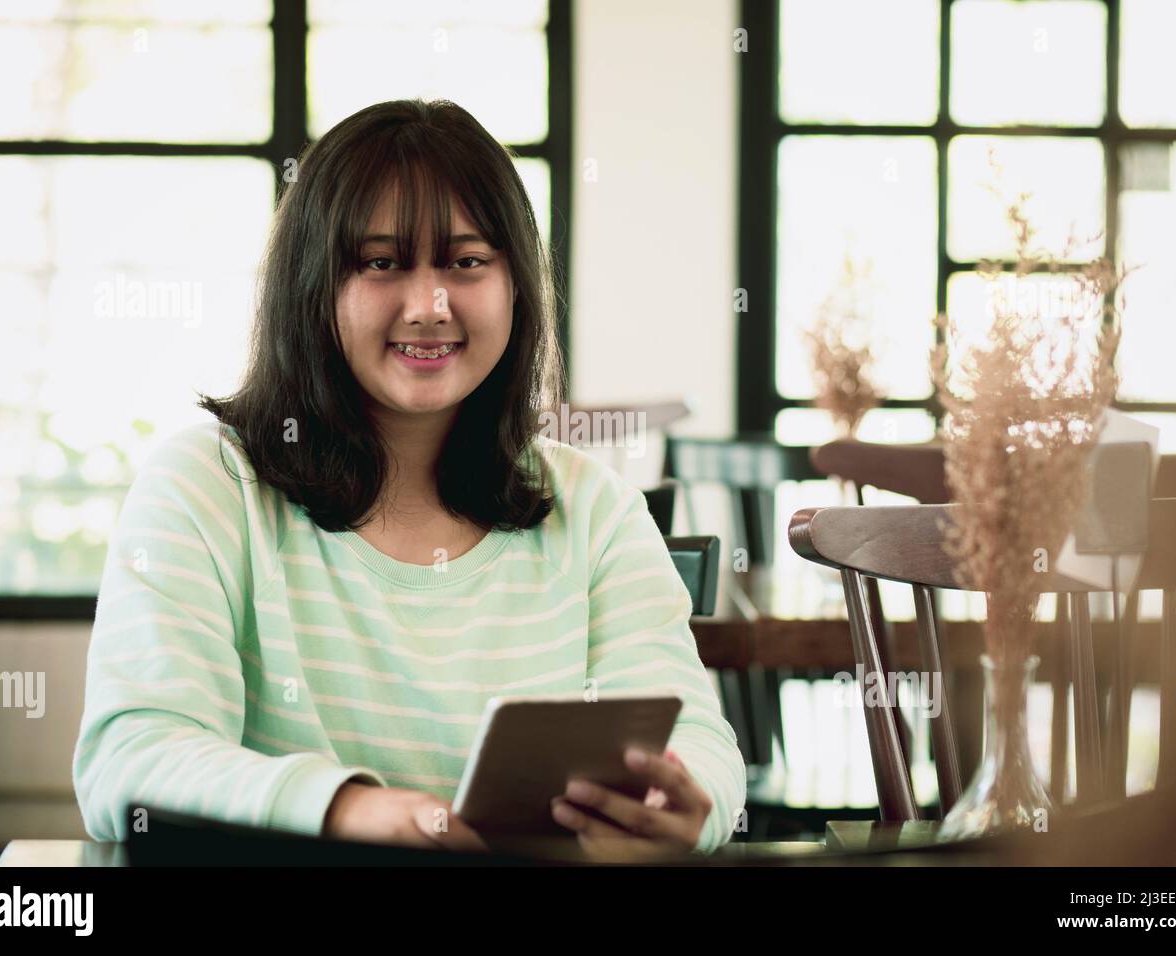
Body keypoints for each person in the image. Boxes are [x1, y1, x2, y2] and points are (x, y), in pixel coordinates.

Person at [72, 98, 745, 857]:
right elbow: (128, 764)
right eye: (381, 262)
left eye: (466, 262)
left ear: (515, 286)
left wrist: (689, 808)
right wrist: (348, 810)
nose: (429, 307)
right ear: (311, 287)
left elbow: (698, 740)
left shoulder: (596, 510)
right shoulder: (206, 488)